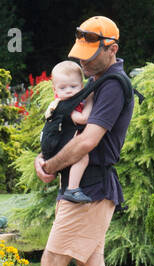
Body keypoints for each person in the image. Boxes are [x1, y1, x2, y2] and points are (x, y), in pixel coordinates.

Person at [0, 16, 147, 266]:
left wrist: (51, 167)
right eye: (79, 52)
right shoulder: (97, 80)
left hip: (90, 188)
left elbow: (90, 140)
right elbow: (69, 132)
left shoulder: (111, 85)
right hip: (90, 185)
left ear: (112, 49)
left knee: (51, 263)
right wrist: (46, 159)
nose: (82, 60)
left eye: (90, 53)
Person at [41, 60, 95, 204]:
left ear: (81, 86)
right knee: (83, 157)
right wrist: (90, 98)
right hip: (61, 147)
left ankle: (69, 187)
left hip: (57, 144)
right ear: (55, 91)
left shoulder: (62, 104)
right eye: (63, 88)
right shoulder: (67, 106)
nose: (69, 91)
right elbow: (83, 119)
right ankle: (73, 188)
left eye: (73, 86)